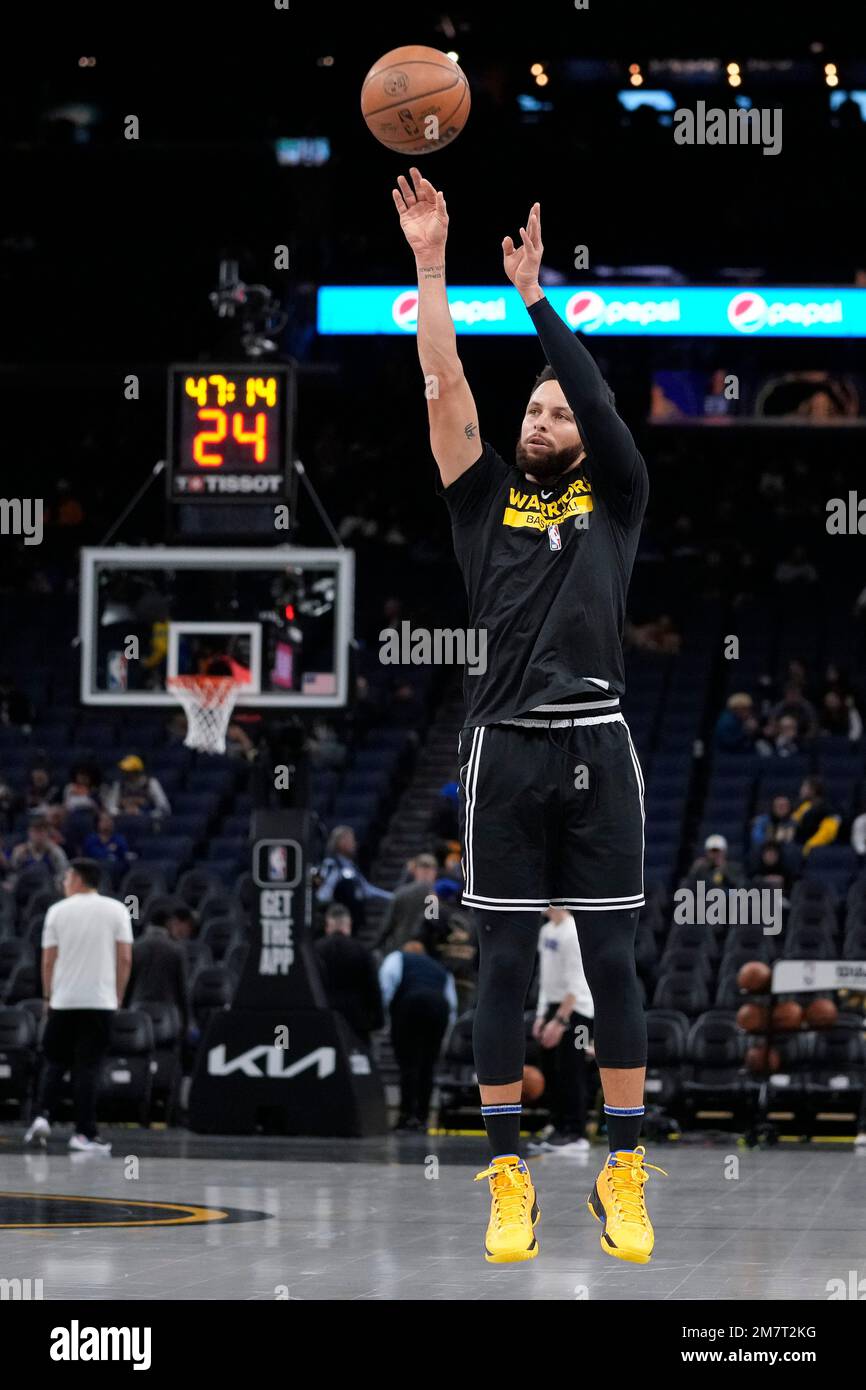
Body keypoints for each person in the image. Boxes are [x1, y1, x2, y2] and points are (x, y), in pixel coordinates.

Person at [394, 170, 660, 1265]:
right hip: (503, 746)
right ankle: (507, 1175)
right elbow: (441, 378)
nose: (542, 416)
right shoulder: (477, 496)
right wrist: (430, 257)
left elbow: (597, 404)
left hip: (597, 738)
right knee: (499, 959)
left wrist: (537, 301)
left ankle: (624, 1169)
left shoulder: (618, 496)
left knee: (612, 959)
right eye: (532, 408)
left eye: (554, 409)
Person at [24, 858, 133, 1153]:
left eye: (67, 876)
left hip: (63, 1001)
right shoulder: (117, 910)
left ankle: (41, 1116)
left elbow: (48, 959)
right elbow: (125, 958)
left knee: (55, 1062)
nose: (63, 881)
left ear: (79, 879)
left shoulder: (56, 912)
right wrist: (117, 995)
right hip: (99, 1002)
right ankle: (84, 1133)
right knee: (87, 1068)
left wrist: (48, 996)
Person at [528, 906, 594, 1154]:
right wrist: (542, 1016)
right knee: (552, 1071)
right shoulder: (546, 931)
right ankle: (557, 1127)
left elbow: (577, 983)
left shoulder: (573, 931)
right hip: (555, 1006)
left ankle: (577, 1134)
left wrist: (560, 1021)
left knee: (573, 1069)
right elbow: (545, 980)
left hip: (579, 1012)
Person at [379, 941, 457, 1133]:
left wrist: (385, 1018)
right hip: (439, 1009)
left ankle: (405, 1117)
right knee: (427, 1066)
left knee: (408, 1064)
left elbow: (386, 985)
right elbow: (452, 1002)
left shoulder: (398, 957)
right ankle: (422, 1118)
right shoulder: (440, 968)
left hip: (410, 1004)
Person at [315, 904, 384, 1046]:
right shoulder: (361, 950)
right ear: (348, 925)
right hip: (356, 1018)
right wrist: (377, 1019)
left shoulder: (316, 950)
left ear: (328, 925)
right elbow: (372, 987)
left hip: (325, 1015)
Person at [126, 900, 190, 1034]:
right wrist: (188, 1022)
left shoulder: (135, 947)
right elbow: (182, 991)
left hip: (138, 1016)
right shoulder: (176, 949)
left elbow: (127, 986)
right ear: (168, 923)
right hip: (168, 1017)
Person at [315, 825, 393, 933]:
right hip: (334, 918)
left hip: (352, 918)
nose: (355, 844)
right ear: (341, 842)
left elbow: (366, 889)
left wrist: (392, 897)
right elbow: (323, 894)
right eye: (351, 840)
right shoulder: (331, 864)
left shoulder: (350, 866)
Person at [374, 853, 439, 954]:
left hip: (401, 948)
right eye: (425, 868)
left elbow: (387, 925)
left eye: (429, 869)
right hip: (425, 952)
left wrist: (376, 945)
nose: (427, 872)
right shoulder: (435, 895)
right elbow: (433, 923)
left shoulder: (401, 892)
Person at [8, 814, 69, 890]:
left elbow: (63, 872)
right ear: (29, 832)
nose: (38, 836)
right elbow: (13, 872)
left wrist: (56, 883)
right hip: (25, 888)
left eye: (41, 832)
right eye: (35, 831)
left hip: (49, 889)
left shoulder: (55, 851)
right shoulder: (20, 851)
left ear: (47, 833)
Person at [103, 755, 171, 819]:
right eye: (125, 771)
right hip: (123, 822)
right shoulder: (119, 784)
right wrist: (123, 813)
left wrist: (144, 814)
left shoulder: (150, 783)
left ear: (137, 772)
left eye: (129, 772)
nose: (125, 774)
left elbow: (164, 809)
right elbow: (110, 808)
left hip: (146, 822)